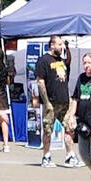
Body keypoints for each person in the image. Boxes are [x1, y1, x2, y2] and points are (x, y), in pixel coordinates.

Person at [35, 37, 73, 167]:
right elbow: (40, 82)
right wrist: (46, 102)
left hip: (64, 101)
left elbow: (68, 65)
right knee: (48, 130)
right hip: (51, 102)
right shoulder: (43, 60)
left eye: (62, 44)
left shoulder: (61, 60)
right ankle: (46, 156)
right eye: (59, 44)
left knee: (69, 127)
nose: (61, 47)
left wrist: (67, 47)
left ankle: (70, 156)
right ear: (52, 45)